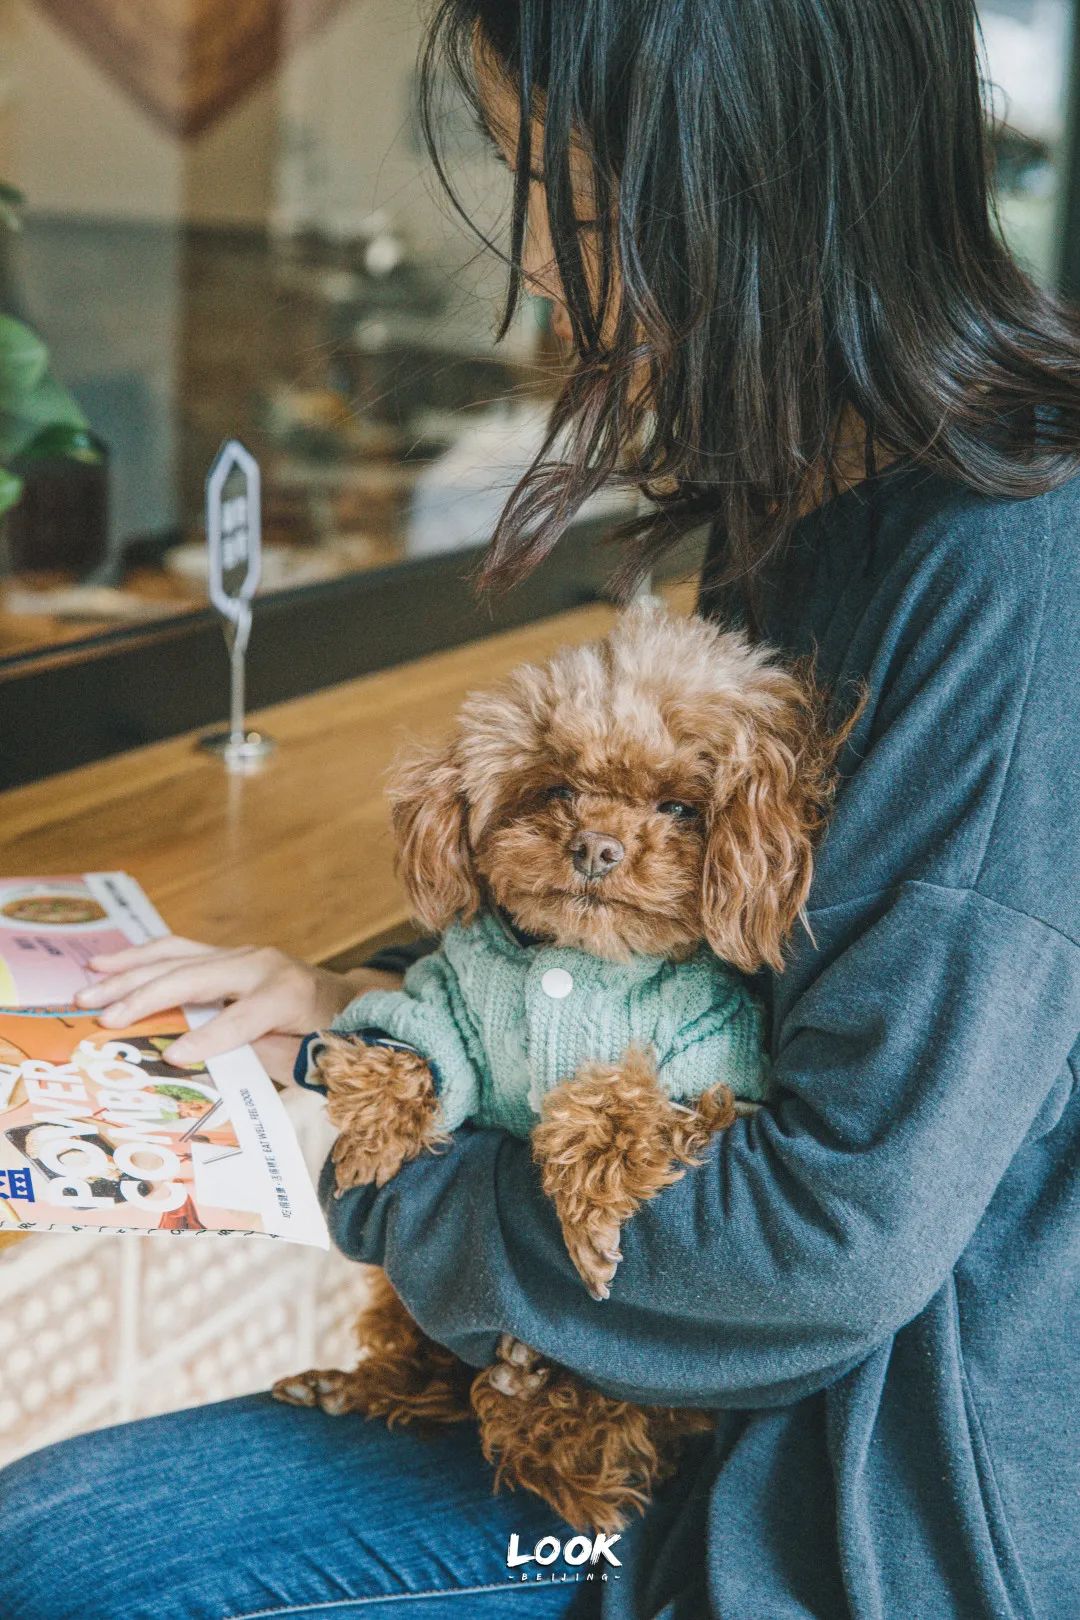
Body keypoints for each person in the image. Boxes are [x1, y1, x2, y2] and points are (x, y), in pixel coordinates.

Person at [4, 3, 1079, 1616]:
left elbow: (823, 1245)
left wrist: (370, 1172)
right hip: (687, 1407)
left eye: (568, 198)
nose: (536, 262)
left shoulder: (1008, 566)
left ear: (752, 181)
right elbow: (711, 979)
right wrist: (365, 1009)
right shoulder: (819, 498)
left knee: (73, 1568)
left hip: (831, 1514)